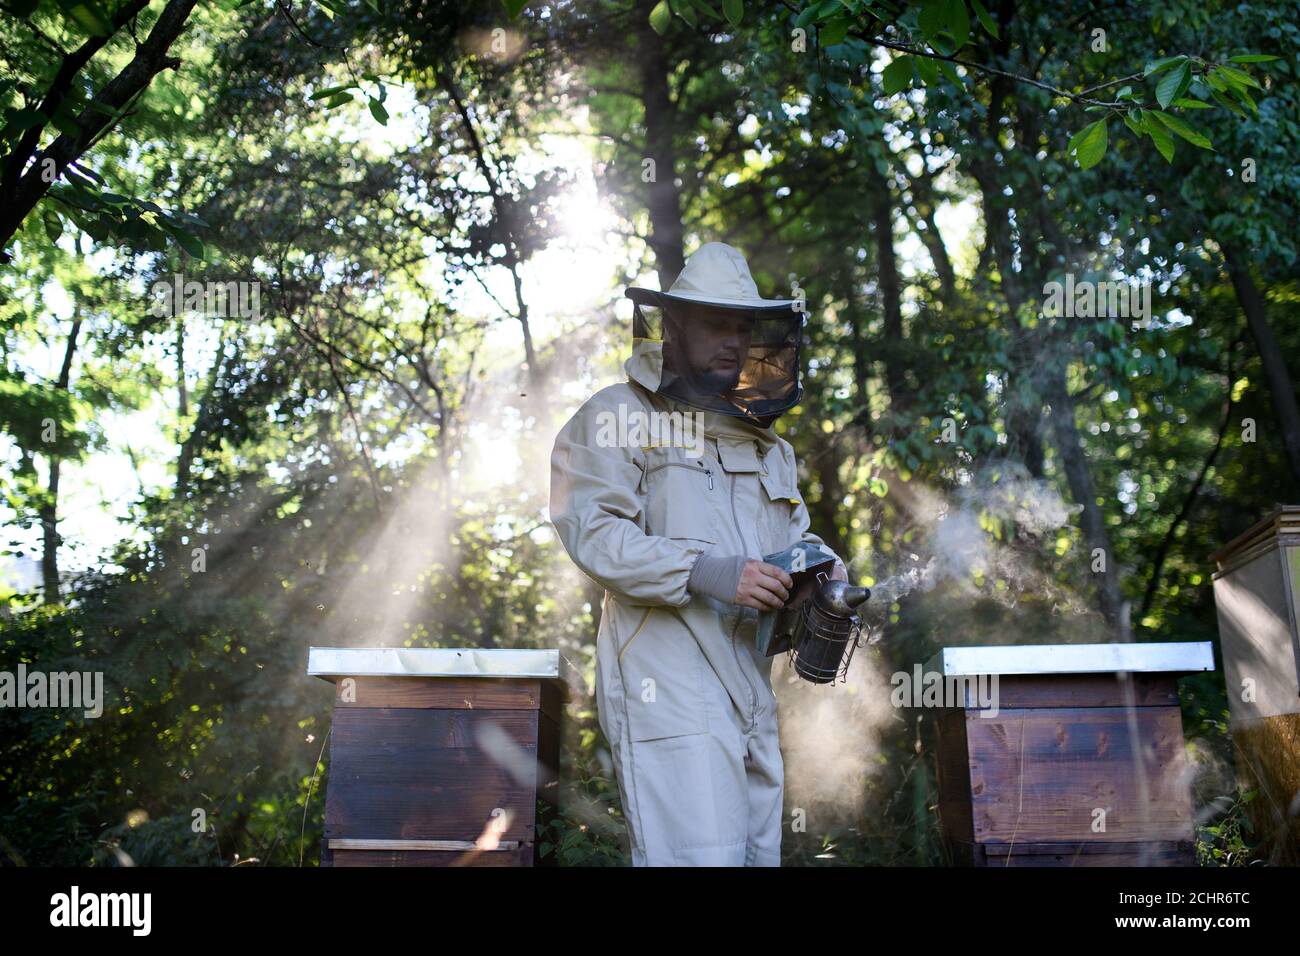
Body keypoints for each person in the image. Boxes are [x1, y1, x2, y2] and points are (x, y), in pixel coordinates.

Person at [549, 241, 847, 866]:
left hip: (749, 685)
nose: (733, 341)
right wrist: (704, 571)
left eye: (743, 326)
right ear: (675, 327)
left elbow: (788, 543)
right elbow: (594, 534)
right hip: (668, 683)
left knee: (756, 860)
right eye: (716, 323)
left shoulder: (769, 447)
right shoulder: (618, 415)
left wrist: (818, 570)